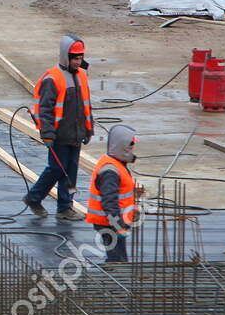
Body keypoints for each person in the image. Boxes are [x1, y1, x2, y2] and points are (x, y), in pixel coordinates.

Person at [25, 33, 93, 221]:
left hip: (75, 134)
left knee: (70, 170)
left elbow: (86, 105)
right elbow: (44, 109)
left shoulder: (81, 76)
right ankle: (34, 197)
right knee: (56, 169)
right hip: (58, 135)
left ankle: (65, 207)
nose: (78, 62)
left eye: (80, 58)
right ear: (66, 56)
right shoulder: (53, 78)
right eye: (75, 58)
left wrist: (88, 129)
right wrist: (47, 134)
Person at [87, 124, 139, 262]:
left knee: (118, 258)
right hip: (109, 223)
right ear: (122, 147)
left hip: (113, 221)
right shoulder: (110, 170)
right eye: (130, 146)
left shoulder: (116, 164)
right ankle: (113, 279)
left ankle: (114, 277)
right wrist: (118, 226)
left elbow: (121, 193)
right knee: (117, 260)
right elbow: (109, 202)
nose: (133, 149)